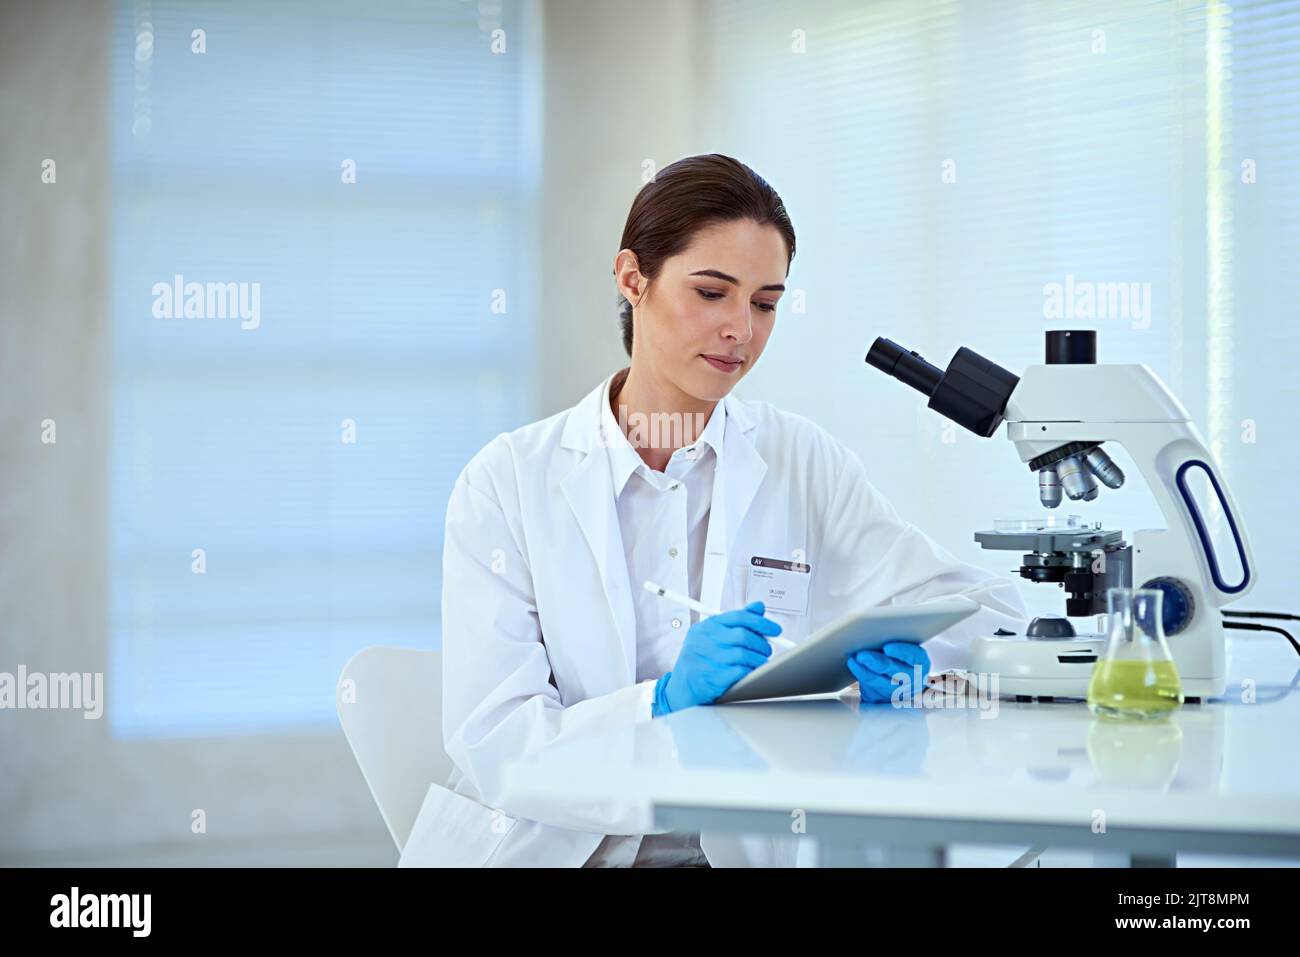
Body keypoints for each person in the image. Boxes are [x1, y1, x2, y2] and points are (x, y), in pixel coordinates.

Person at [435, 154, 1028, 867]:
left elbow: (987, 611)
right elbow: (497, 742)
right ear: (632, 279)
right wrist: (661, 702)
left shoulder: (801, 461)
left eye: (765, 302)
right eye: (712, 292)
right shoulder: (507, 482)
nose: (740, 330)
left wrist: (920, 659)